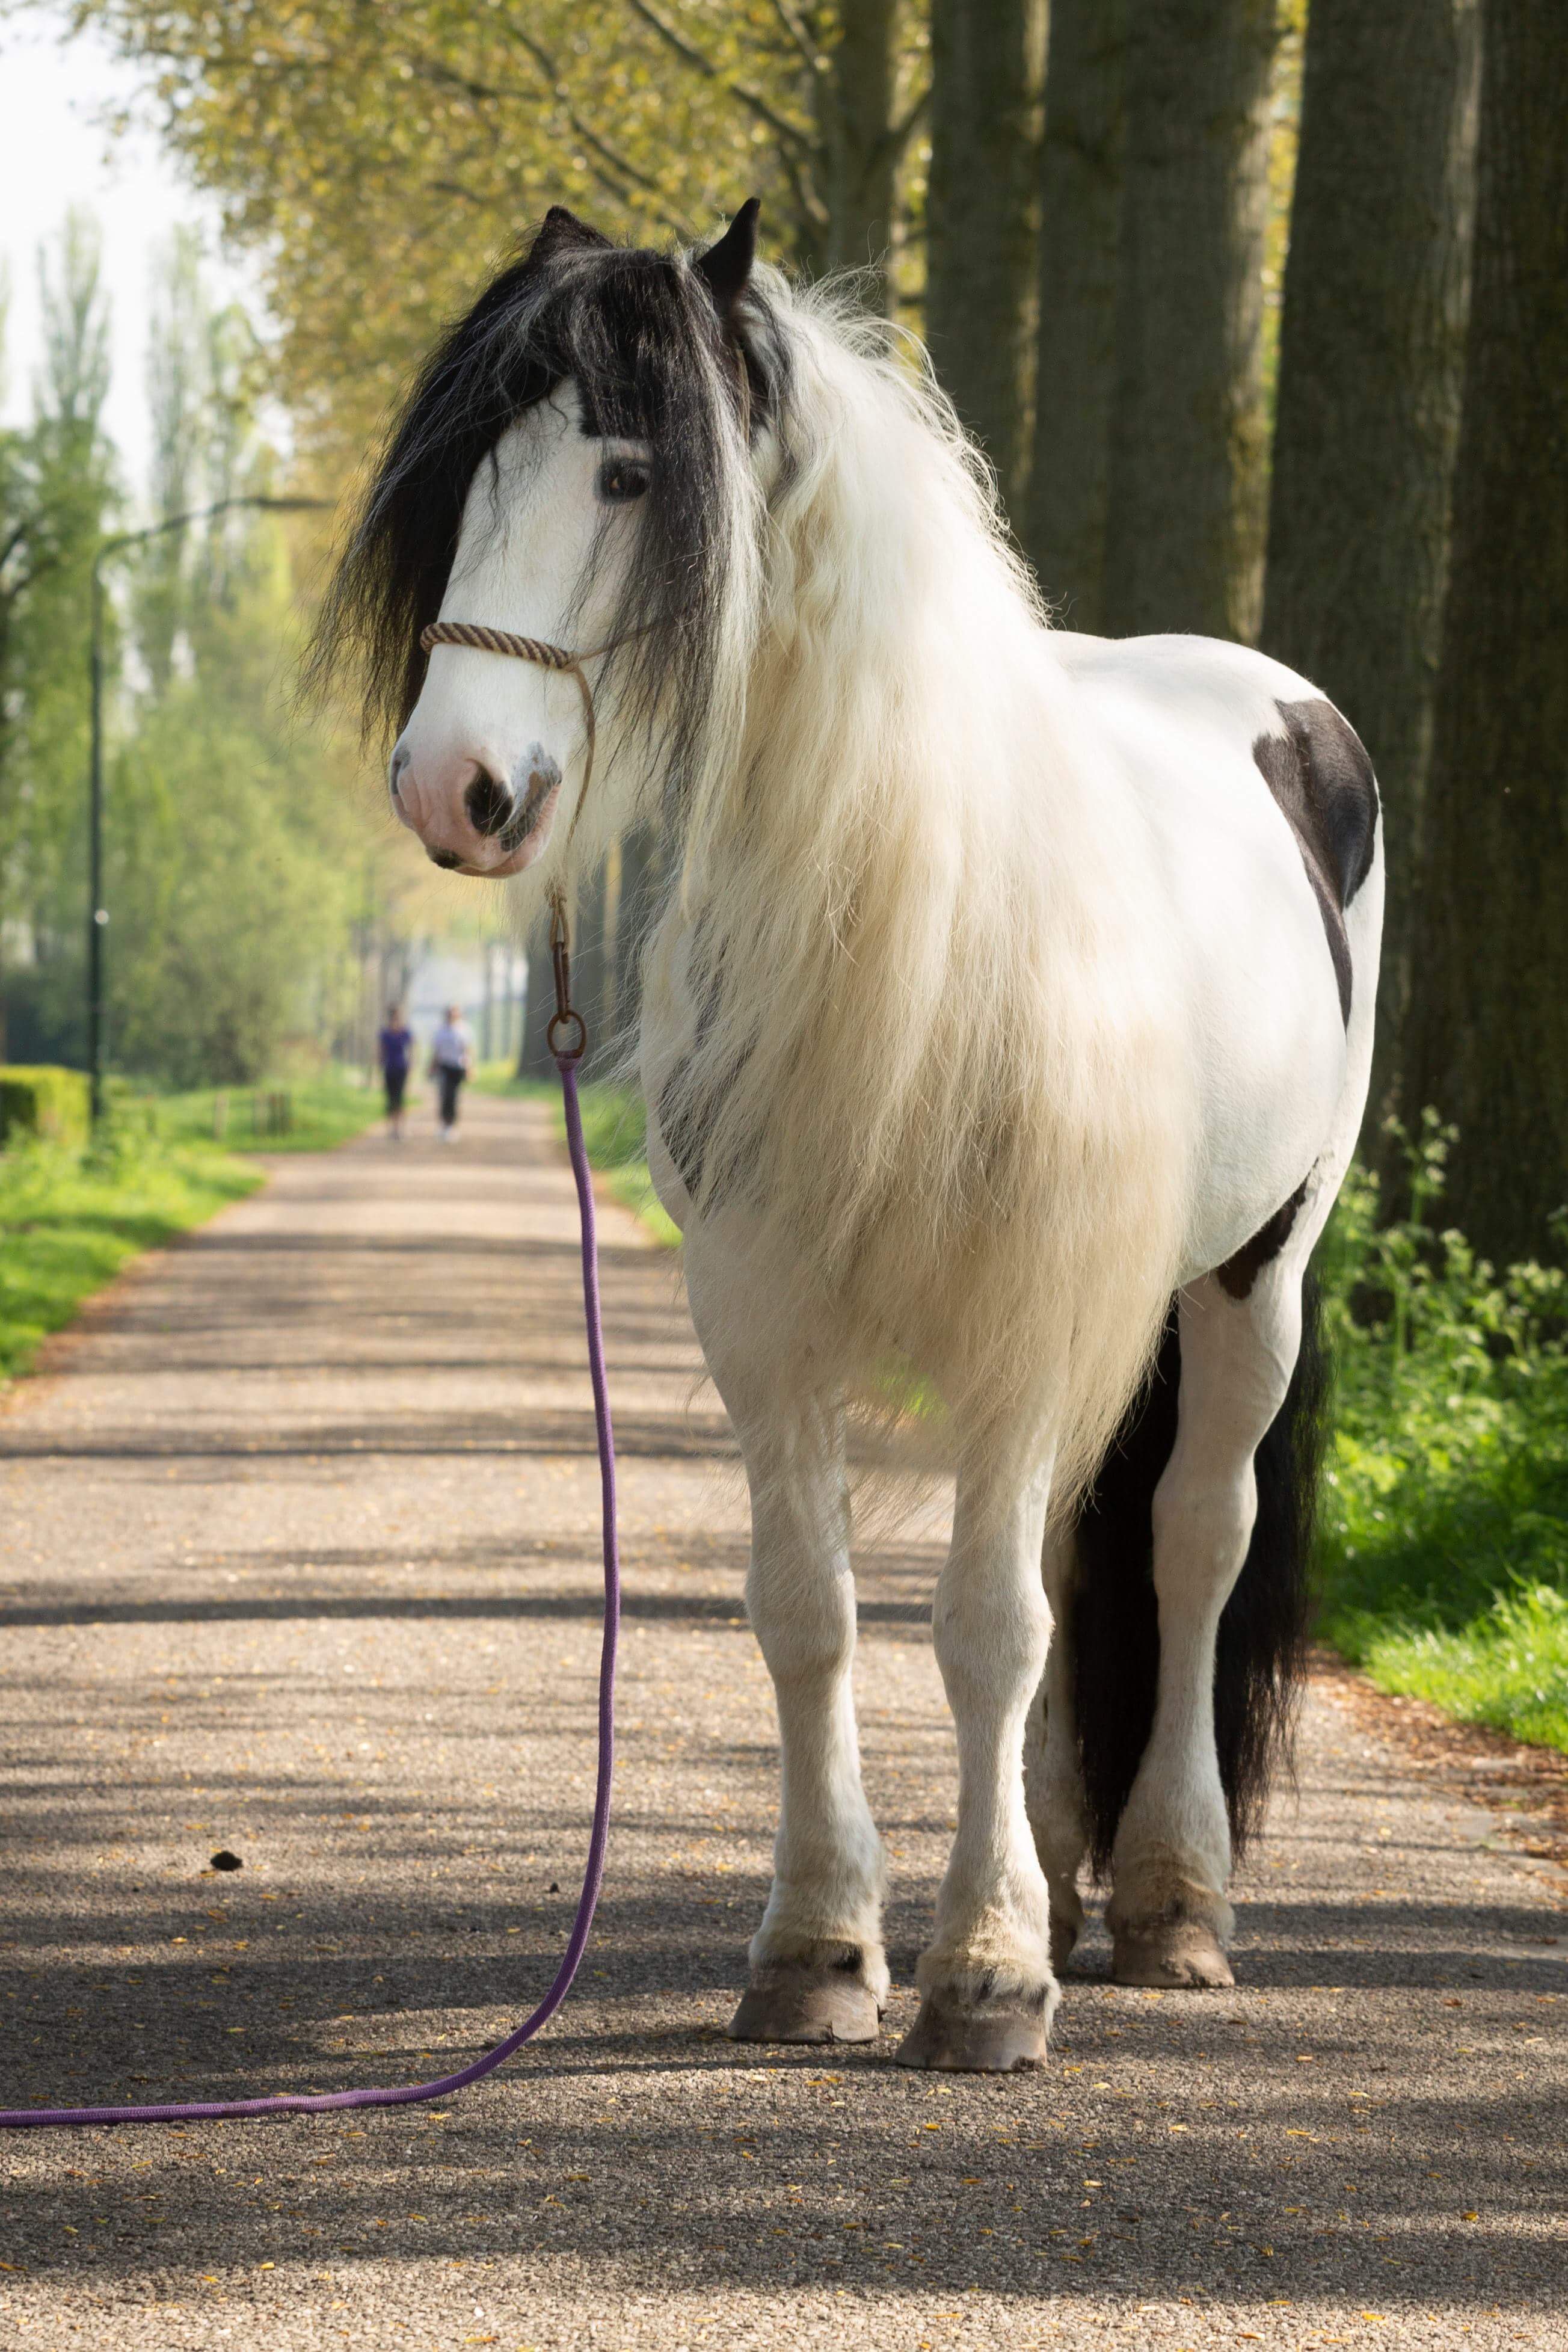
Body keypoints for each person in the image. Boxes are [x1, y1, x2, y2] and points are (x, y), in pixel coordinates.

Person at [429, 1002, 474, 1141]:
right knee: (444, 1096)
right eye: (450, 1013)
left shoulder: (464, 1030)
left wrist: (470, 1069)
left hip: (457, 1067)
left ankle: (452, 1127)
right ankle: (444, 1125)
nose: (452, 1015)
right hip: (444, 1066)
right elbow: (436, 1052)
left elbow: (467, 1051)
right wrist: (432, 1067)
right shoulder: (440, 1031)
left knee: (454, 1097)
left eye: (454, 1013)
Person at [377, 1003, 414, 1141]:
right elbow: (381, 1051)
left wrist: (411, 1065)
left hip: (401, 1068)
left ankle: (400, 1128)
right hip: (389, 1069)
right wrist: (379, 1066)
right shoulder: (385, 1033)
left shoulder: (405, 1032)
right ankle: (391, 1129)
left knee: (400, 1099)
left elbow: (411, 1049)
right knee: (390, 1099)